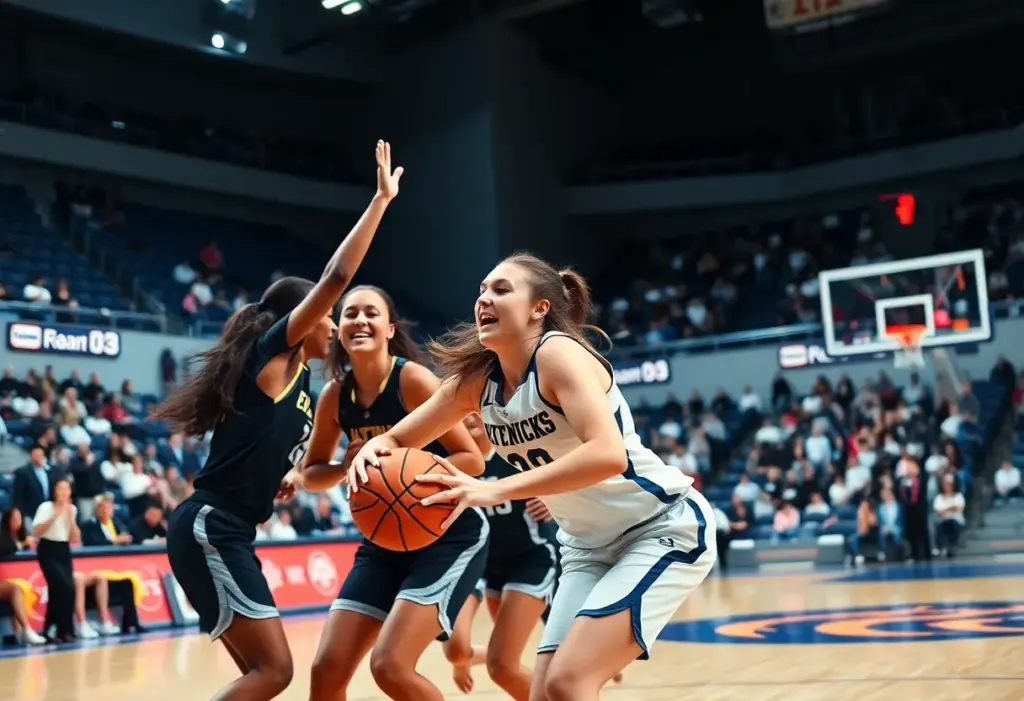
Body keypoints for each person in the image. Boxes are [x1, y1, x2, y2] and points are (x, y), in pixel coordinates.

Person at [350, 254, 718, 701]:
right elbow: (397, 440)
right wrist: (373, 449)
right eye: (482, 290)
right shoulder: (477, 380)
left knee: (568, 682)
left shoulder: (558, 352)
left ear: (539, 308)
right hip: (586, 546)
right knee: (544, 693)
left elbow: (608, 454)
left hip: (660, 525)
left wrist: (493, 488)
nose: (484, 297)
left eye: (501, 290)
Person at [153, 141, 402, 701]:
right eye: (330, 318)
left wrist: (290, 478)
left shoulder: (309, 389)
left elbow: (294, 458)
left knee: (259, 675)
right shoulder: (274, 355)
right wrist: (380, 203)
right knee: (276, 673)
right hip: (212, 526)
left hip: (232, 530)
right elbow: (336, 276)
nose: (336, 327)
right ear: (305, 317)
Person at [301, 285, 487, 701]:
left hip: (447, 532)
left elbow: (472, 459)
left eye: (371, 313)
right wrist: (344, 467)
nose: (359, 321)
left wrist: (406, 474)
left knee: (390, 667)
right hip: (383, 537)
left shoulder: (411, 379)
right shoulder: (334, 396)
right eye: (349, 314)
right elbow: (311, 474)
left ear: (389, 328)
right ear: (339, 329)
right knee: (326, 670)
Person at [31, 477, 79, 642]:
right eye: (60, 489)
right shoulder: (45, 507)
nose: (64, 492)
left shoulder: (72, 509)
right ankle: (53, 628)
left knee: (65, 589)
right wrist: (55, 515)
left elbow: (74, 538)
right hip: (47, 549)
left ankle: (62, 630)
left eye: (67, 489)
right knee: (63, 587)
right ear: (54, 490)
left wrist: (70, 518)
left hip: (64, 549)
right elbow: (36, 531)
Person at [0, 508, 47, 645]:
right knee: (15, 588)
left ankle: (22, 632)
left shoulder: (22, 535)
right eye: (14, 518)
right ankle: (26, 630)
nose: (17, 521)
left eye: (19, 518)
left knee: (18, 588)